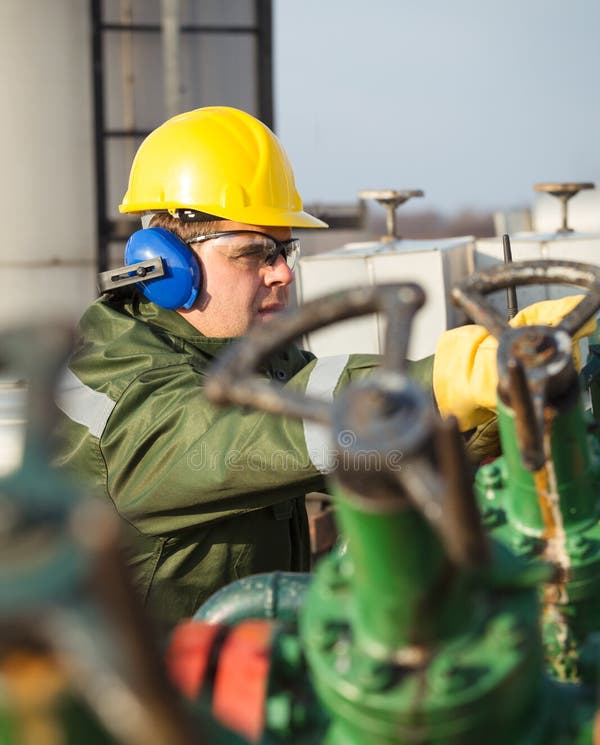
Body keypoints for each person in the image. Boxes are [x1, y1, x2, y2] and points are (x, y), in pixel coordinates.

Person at [54, 105, 593, 636]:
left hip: (255, 669)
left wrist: (491, 414)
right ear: (168, 265)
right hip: (148, 704)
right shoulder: (120, 384)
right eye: (254, 253)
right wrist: (447, 376)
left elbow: (366, 445)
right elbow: (257, 433)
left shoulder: (247, 355)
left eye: (285, 249)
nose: (284, 273)